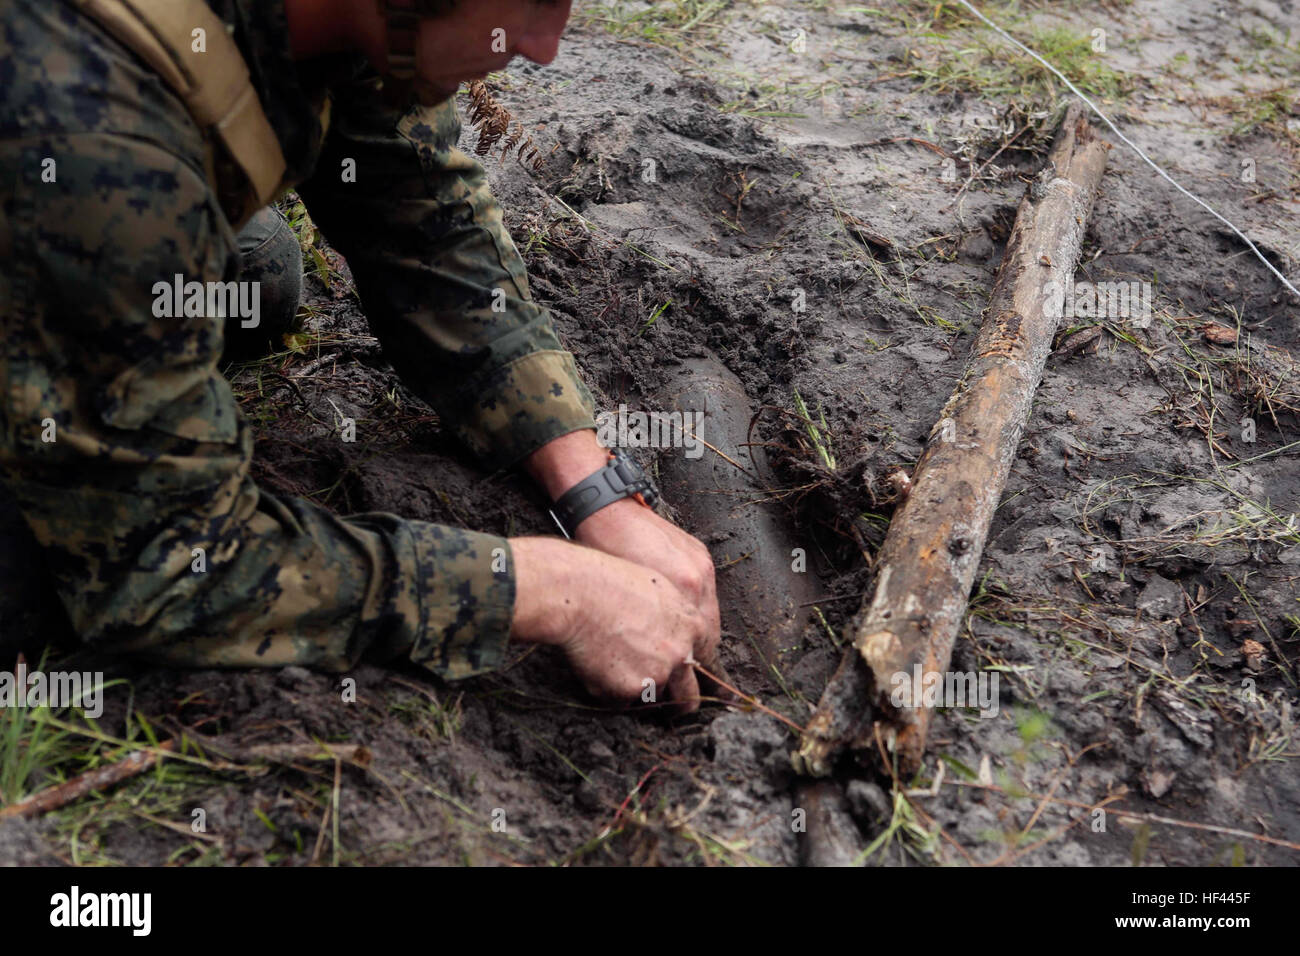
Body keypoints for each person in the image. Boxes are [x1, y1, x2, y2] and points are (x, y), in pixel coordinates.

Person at [0, 0, 722, 711]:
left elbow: (418, 210)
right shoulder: (91, 130)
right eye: (531, 1)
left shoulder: (358, 20)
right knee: (33, 593)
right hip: (61, 156)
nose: (542, 45)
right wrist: (550, 590)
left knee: (252, 275)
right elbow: (169, 567)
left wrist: (592, 492)